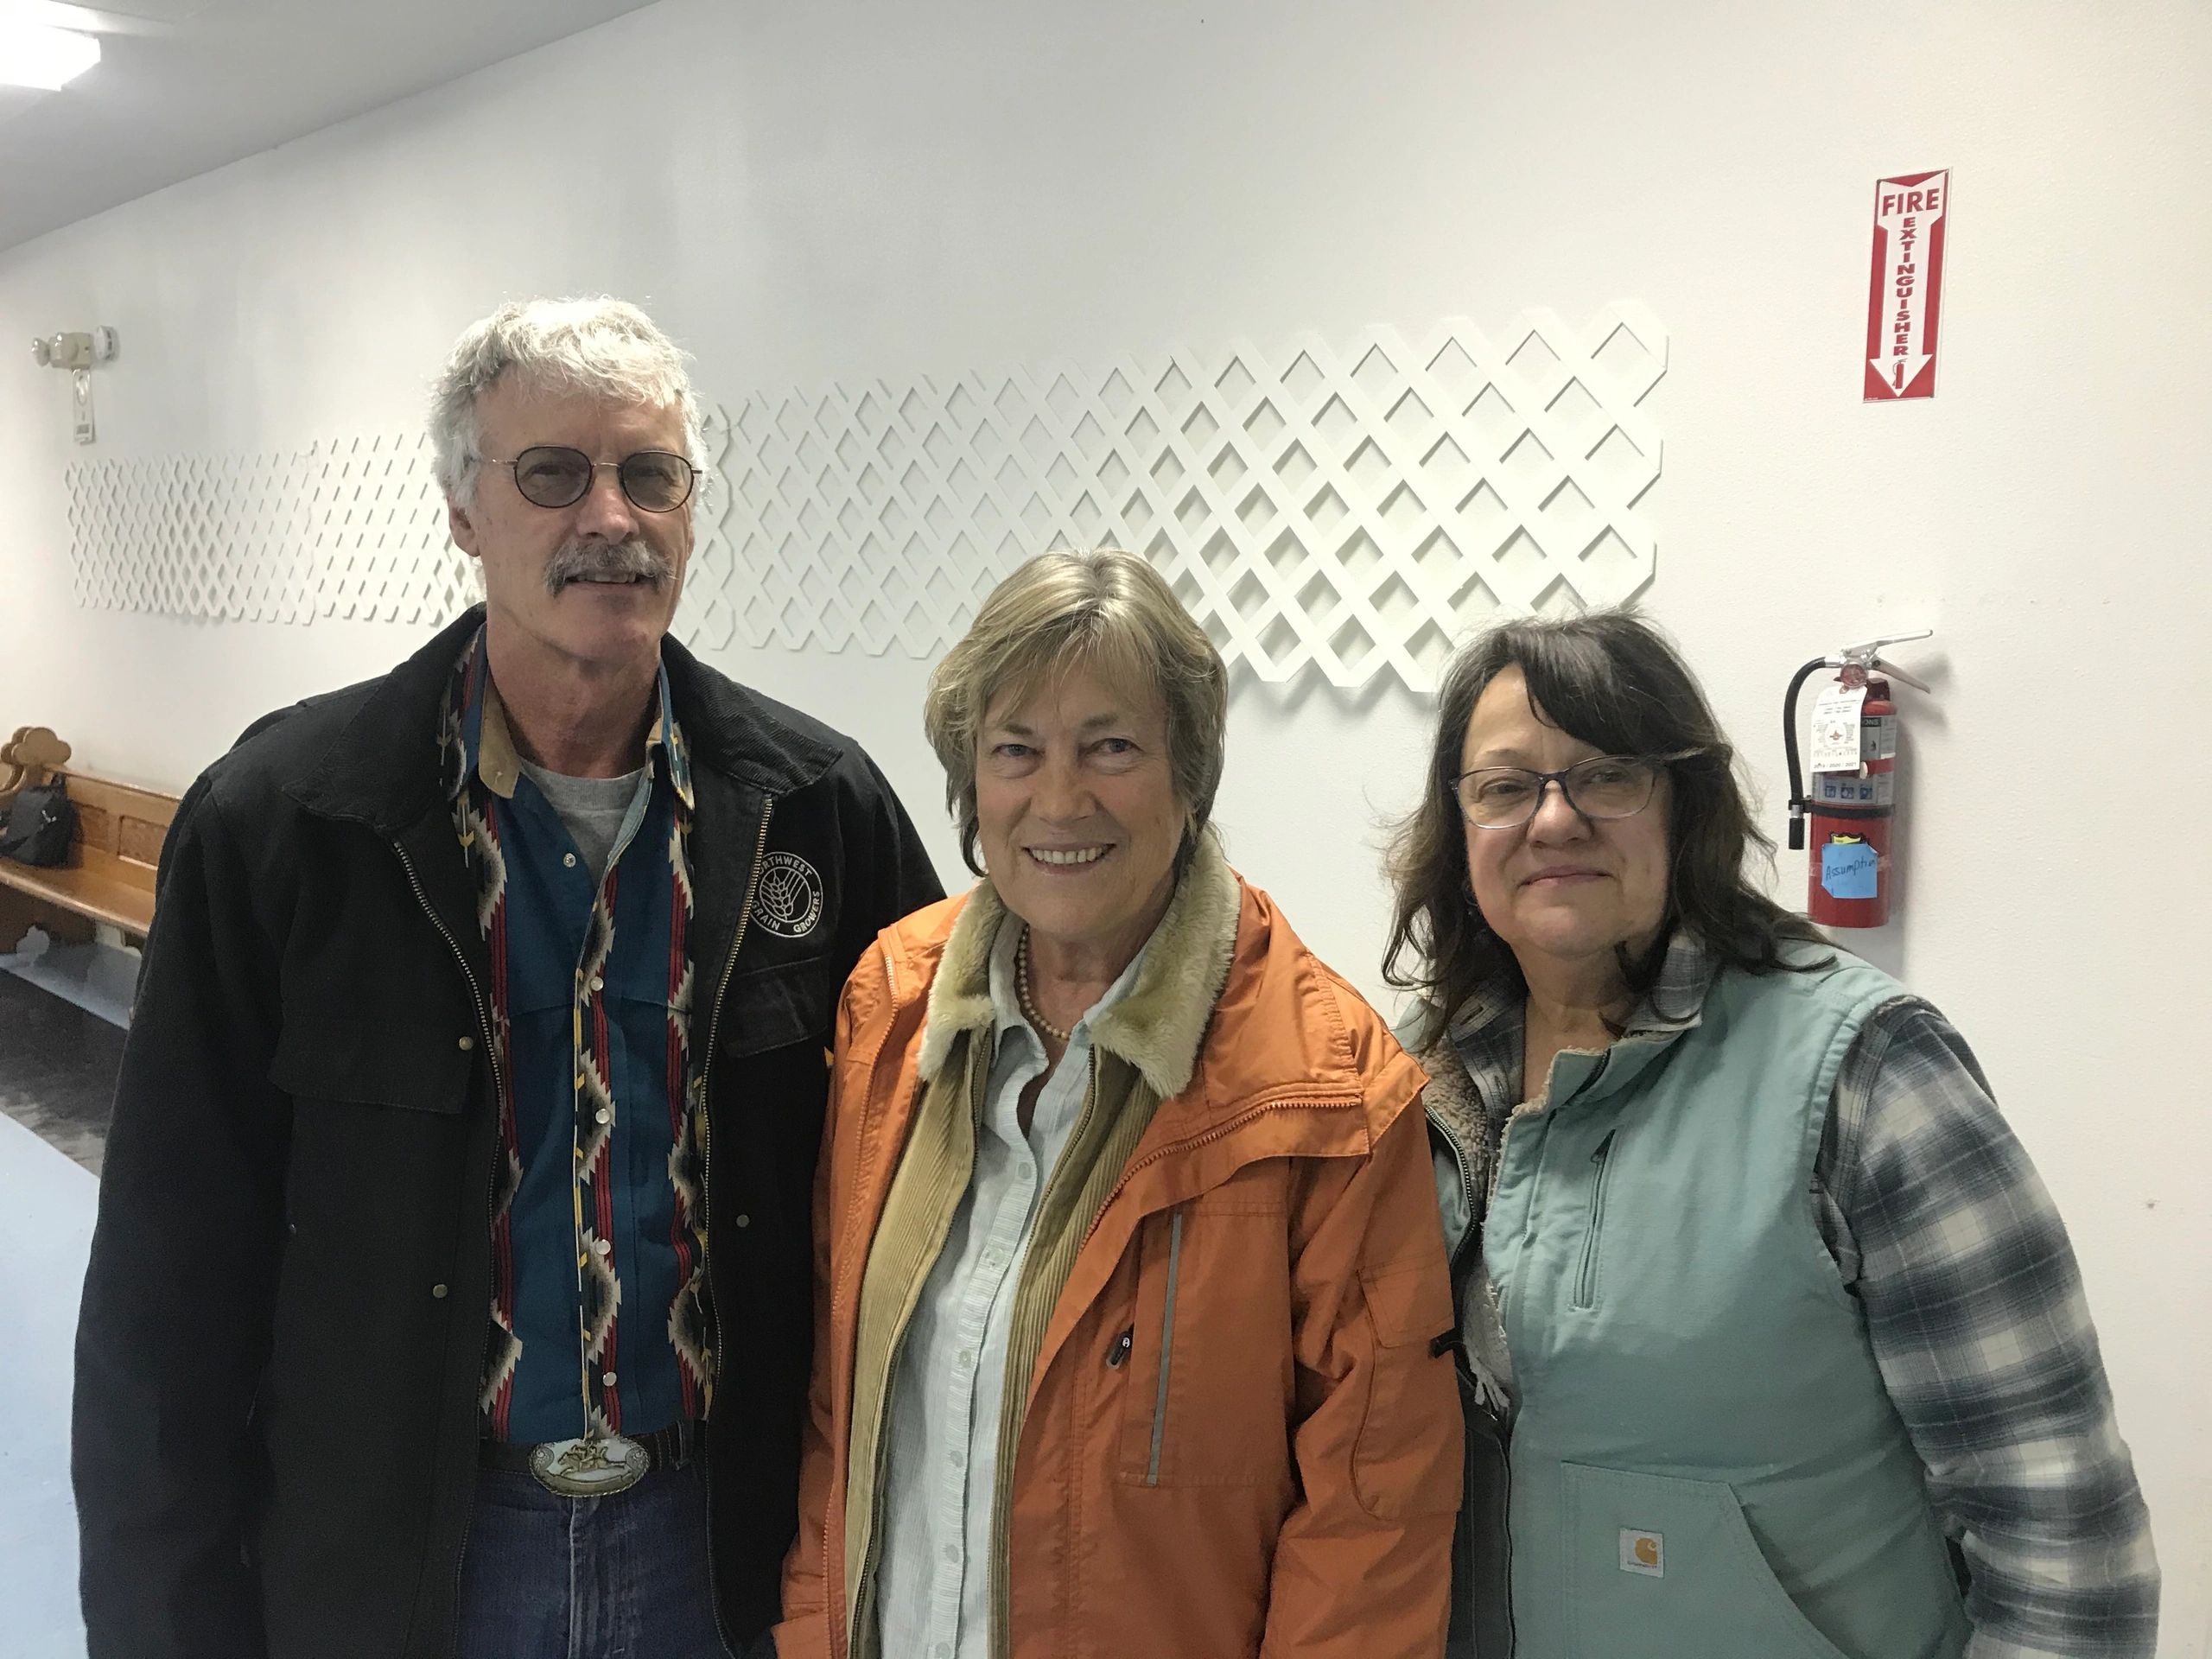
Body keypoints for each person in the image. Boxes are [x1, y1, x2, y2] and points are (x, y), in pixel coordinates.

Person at [72, 296, 942, 1659]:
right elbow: (165, 1283)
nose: (611, 515)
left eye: (649, 474)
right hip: (407, 1550)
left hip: (727, 1545)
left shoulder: (819, 812)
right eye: (553, 475)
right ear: (466, 513)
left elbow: (927, 1187)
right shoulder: (287, 826)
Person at [1384, 608, 2159, 1658]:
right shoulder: (1416, 1080)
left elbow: (2066, 1549)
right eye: (1506, 787)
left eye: (1607, 774)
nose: (1553, 821)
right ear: (1458, 825)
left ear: (1684, 803)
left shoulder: (1866, 1071)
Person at [773, 550, 1462, 1659]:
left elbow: (1372, 1510)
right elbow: (833, 1401)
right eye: (1015, 751)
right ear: (970, 784)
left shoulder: (1326, 1090)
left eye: (1111, 746)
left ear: (1189, 777)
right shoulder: (890, 1010)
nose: (1059, 798)